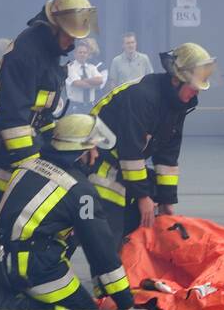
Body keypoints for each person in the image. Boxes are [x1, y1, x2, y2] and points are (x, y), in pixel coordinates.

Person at [0, 0, 97, 268]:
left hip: (30, 138)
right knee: (1, 214)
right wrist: (29, 168)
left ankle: (9, 266)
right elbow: (14, 117)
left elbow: (44, 113)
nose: (73, 43)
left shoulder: (49, 50)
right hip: (7, 150)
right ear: (54, 27)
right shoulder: (26, 52)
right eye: (69, 36)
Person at [0, 113, 134, 310]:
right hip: (34, 268)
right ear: (81, 151)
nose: (97, 155)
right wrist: (126, 301)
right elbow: (101, 249)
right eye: (93, 148)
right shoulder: (80, 191)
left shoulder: (30, 165)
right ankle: (29, 307)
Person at [90, 42, 215, 242]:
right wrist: (142, 197)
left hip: (124, 165)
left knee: (135, 227)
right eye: (194, 87)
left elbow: (167, 154)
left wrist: (166, 200)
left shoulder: (177, 104)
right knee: (109, 230)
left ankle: (125, 267)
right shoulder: (143, 96)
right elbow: (130, 150)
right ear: (177, 80)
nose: (197, 93)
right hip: (99, 161)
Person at [66, 36, 106, 108]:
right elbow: (77, 83)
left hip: (90, 106)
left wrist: (84, 80)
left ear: (87, 55)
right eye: (80, 52)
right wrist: (93, 84)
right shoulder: (70, 67)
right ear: (75, 54)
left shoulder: (91, 67)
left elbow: (100, 80)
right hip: (75, 106)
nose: (82, 54)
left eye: (85, 53)